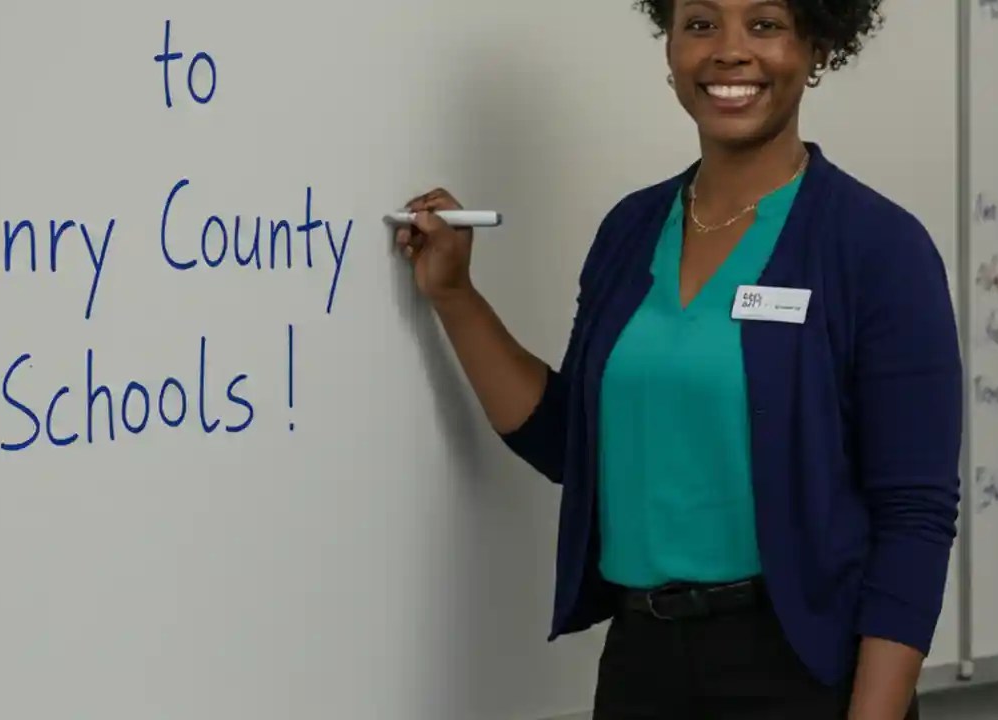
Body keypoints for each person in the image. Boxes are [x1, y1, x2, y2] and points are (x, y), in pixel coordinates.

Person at [394, 0, 961, 718]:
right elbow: (573, 442)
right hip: (643, 663)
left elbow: (914, 517)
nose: (729, 51)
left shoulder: (878, 248)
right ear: (670, 51)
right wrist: (454, 295)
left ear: (816, 47)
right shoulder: (630, 231)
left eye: (764, 24)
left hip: (804, 668)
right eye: (700, 24)